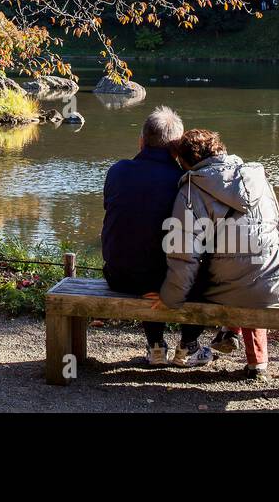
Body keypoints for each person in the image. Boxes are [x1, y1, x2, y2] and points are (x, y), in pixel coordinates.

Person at [161, 128, 279, 379]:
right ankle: (248, 353)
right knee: (251, 268)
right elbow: (275, 224)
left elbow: (183, 254)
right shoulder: (256, 177)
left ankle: (231, 333)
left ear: (185, 162)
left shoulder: (192, 189)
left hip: (237, 283)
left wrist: (171, 300)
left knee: (235, 275)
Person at [101, 106, 212, 367]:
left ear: (141, 141)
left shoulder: (117, 171)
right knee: (199, 271)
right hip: (163, 280)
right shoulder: (185, 181)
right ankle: (189, 346)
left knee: (142, 248)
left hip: (118, 276)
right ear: (177, 148)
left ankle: (155, 346)